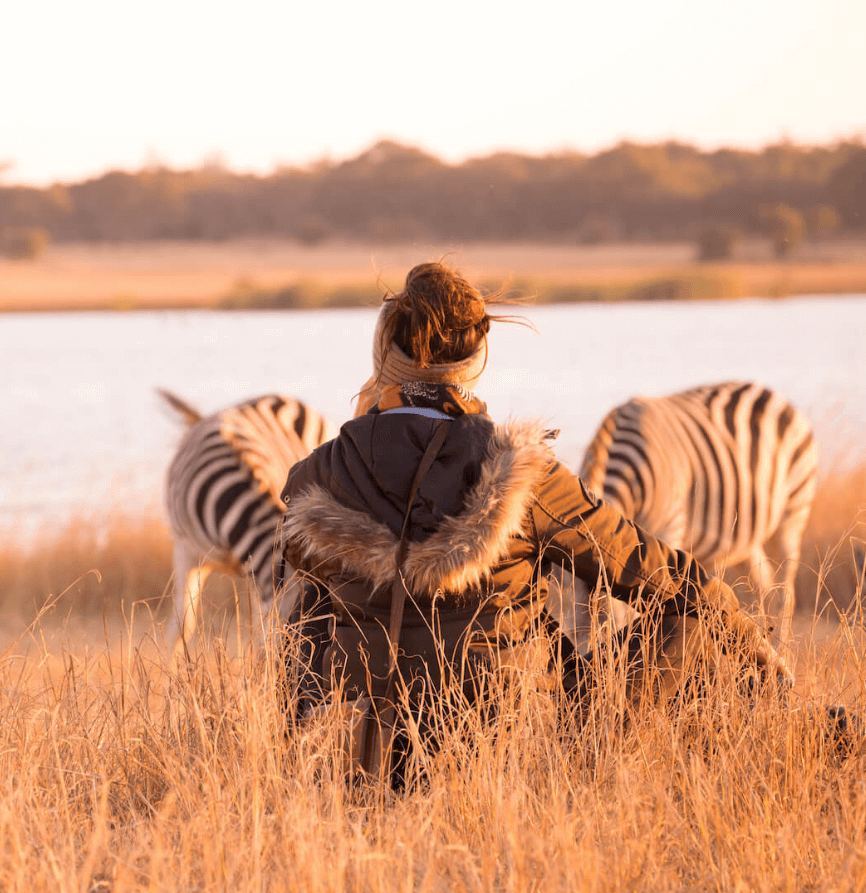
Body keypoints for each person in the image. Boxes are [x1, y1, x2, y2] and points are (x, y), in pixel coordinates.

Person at [276, 261, 794, 785]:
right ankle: (592, 772)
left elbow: (299, 607)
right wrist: (751, 642)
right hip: (500, 731)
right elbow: (648, 569)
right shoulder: (523, 472)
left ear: (387, 351)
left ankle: (307, 751)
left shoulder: (317, 474)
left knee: (308, 601)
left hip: (368, 729)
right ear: (477, 356)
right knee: (689, 616)